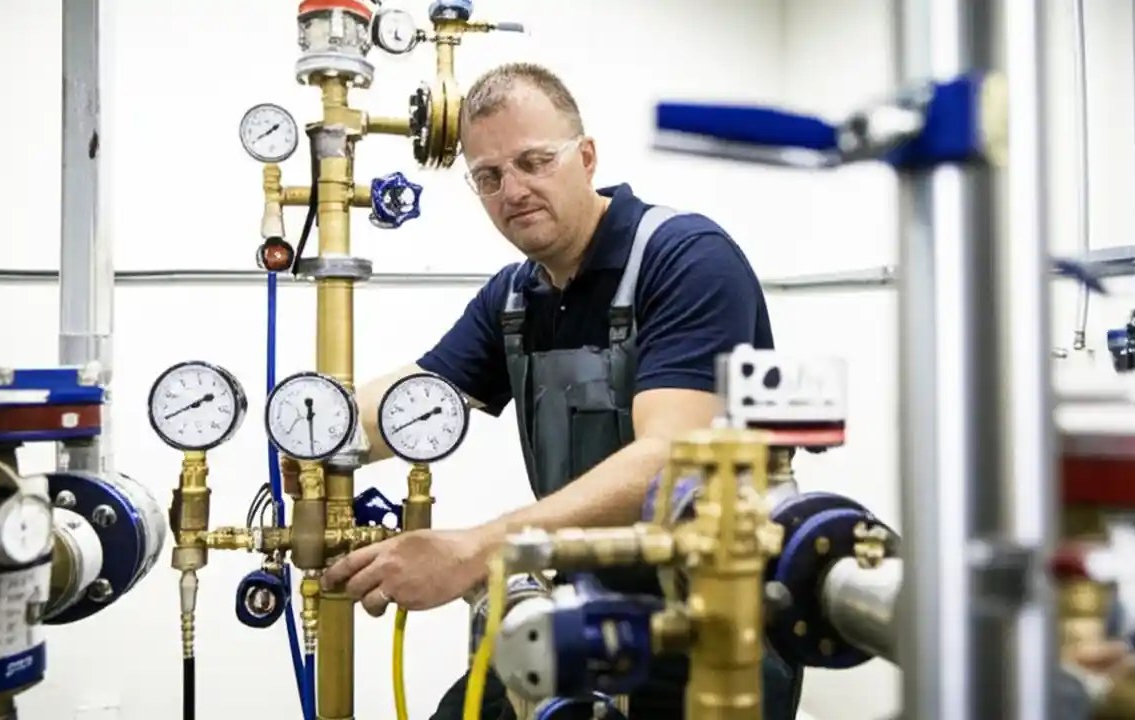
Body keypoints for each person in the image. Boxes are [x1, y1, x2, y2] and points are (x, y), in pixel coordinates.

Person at [319, 62, 801, 719]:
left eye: (533, 162)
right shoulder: (517, 295)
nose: (512, 189)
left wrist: (473, 550)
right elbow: (421, 398)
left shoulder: (687, 259)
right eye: (488, 177)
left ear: (587, 157)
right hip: (590, 604)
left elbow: (671, 459)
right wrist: (322, 431)